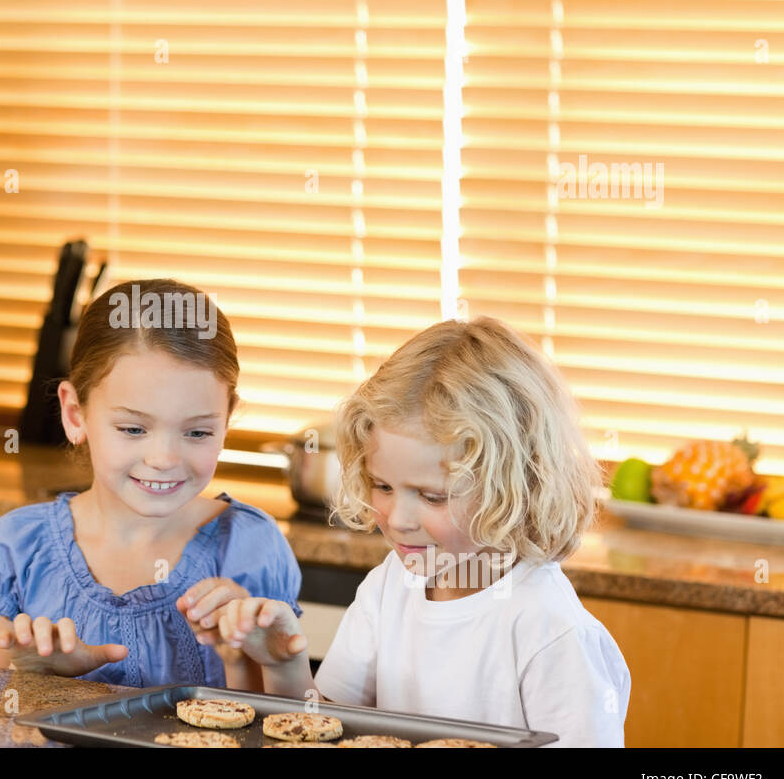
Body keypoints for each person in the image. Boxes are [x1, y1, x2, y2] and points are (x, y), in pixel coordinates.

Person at [202, 316, 632, 745]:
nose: (397, 518)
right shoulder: (389, 586)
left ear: (517, 486)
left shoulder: (552, 634)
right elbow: (322, 731)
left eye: (433, 497)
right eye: (382, 486)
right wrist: (283, 664)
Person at [0, 278, 302, 688]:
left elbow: (281, 727)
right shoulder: (16, 549)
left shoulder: (252, 548)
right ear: (74, 414)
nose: (163, 460)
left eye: (197, 433)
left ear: (226, 420)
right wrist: (38, 683)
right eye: (133, 428)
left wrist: (239, 657)